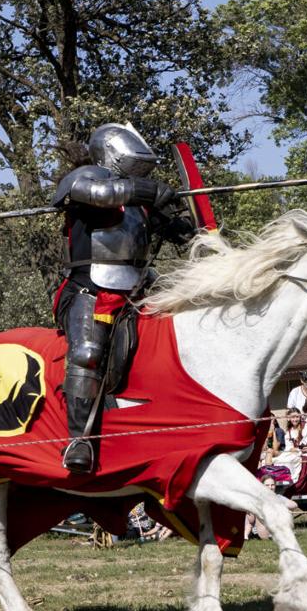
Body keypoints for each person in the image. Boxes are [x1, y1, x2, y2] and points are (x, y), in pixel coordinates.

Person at [52, 123, 194, 473]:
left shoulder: (139, 205)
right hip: (91, 288)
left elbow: (171, 228)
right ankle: (79, 440)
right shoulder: (83, 178)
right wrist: (150, 191)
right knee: (87, 353)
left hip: (141, 285)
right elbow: (103, 194)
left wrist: (180, 224)